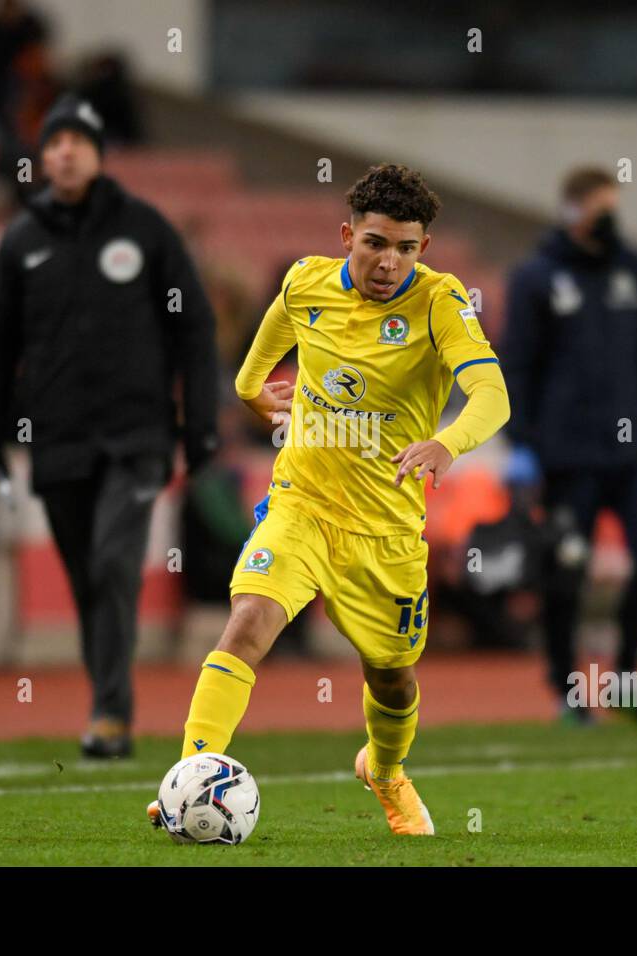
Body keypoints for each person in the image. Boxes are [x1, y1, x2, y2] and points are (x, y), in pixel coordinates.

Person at [146, 163, 510, 837]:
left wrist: (448, 443)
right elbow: (264, 350)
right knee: (249, 621)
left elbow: (492, 394)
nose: (388, 261)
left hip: (387, 531)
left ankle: (386, 769)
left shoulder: (439, 301)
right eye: (375, 243)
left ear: (422, 249)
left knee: (392, 677)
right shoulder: (306, 282)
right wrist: (254, 391)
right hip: (302, 504)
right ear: (348, 235)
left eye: (405, 247)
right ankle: (191, 777)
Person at [0, 94, 219, 758]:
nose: (65, 152)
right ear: (42, 157)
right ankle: (108, 701)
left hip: (137, 437)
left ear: (100, 154)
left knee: (112, 560)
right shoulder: (22, 240)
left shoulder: (145, 230)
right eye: (53, 143)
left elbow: (194, 326)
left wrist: (200, 425)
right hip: (57, 440)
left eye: (78, 141)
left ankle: (111, 713)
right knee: (88, 578)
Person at [501, 166, 637, 725]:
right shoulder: (537, 277)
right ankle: (567, 689)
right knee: (567, 574)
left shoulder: (636, 271)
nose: (611, 222)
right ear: (573, 210)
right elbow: (518, 363)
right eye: (602, 210)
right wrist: (521, 442)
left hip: (630, 454)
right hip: (566, 453)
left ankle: (625, 674)